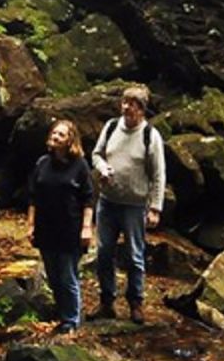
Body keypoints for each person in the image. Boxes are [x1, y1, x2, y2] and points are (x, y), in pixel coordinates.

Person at [90, 84, 165, 324]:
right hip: (108, 202)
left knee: (134, 255)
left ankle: (136, 302)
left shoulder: (150, 136)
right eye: (124, 103)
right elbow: (96, 154)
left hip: (134, 206)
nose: (126, 108)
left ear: (142, 109)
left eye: (132, 105)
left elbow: (158, 174)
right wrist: (102, 167)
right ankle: (106, 302)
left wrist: (155, 207)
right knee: (103, 253)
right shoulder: (111, 127)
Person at [26, 119, 94, 334]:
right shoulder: (42, 163)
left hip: (70, 229)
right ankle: (63, 315)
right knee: (53, 276)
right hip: (46, 228)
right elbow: (33, 197)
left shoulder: (80, 166)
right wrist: (30, 225)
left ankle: (72, 320)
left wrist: (86, 227)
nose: (55, 137)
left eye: (61, 135)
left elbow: (89, 199)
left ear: (70, 141)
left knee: (67, 276)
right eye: (54, 133)